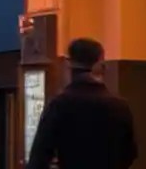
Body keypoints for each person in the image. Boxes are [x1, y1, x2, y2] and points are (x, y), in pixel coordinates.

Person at [25, 38, 137, 169]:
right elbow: (129, 154)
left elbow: (39, 157)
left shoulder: (59, 105)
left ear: (68, 64)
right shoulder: (120, 107)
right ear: (100, 64)